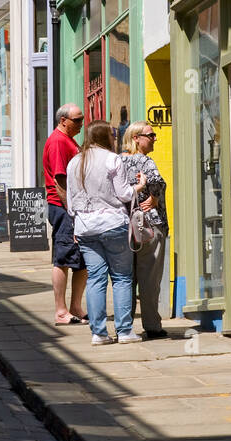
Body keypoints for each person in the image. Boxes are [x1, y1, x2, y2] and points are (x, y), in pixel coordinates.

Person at [66, 120, 146, 345]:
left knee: (96, 279)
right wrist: (139, 187)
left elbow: (71, 202)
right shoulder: (113, 159)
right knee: (121, 277)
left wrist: (76, 223)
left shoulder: (74, 162)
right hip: (112, 223)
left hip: (85, 227)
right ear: (105, 136)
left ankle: (99, 333)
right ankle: (124, 331)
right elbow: (124, 194)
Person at [122, 122, 170, 340]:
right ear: (135, 138)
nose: (154, 139)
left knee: (126, 278)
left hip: (125, 226)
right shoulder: (145, 160)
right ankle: (152, 325)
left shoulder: (118, 160)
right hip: (149, 225)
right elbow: (158, 181)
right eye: (150, 135)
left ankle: (125, 326)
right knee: (149, 278)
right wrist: (156, 197)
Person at [42, 104, 88, 326]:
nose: (81, 123)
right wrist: (72, 212)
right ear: (63, 120)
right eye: (77, 120)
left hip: (72, 208)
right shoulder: (59, 141)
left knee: (81, 259)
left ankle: (76, 307)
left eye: (82, 119)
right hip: (63, 208)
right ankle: (61, 311)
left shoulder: (68, 139)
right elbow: (60, 181)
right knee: (63, 257)